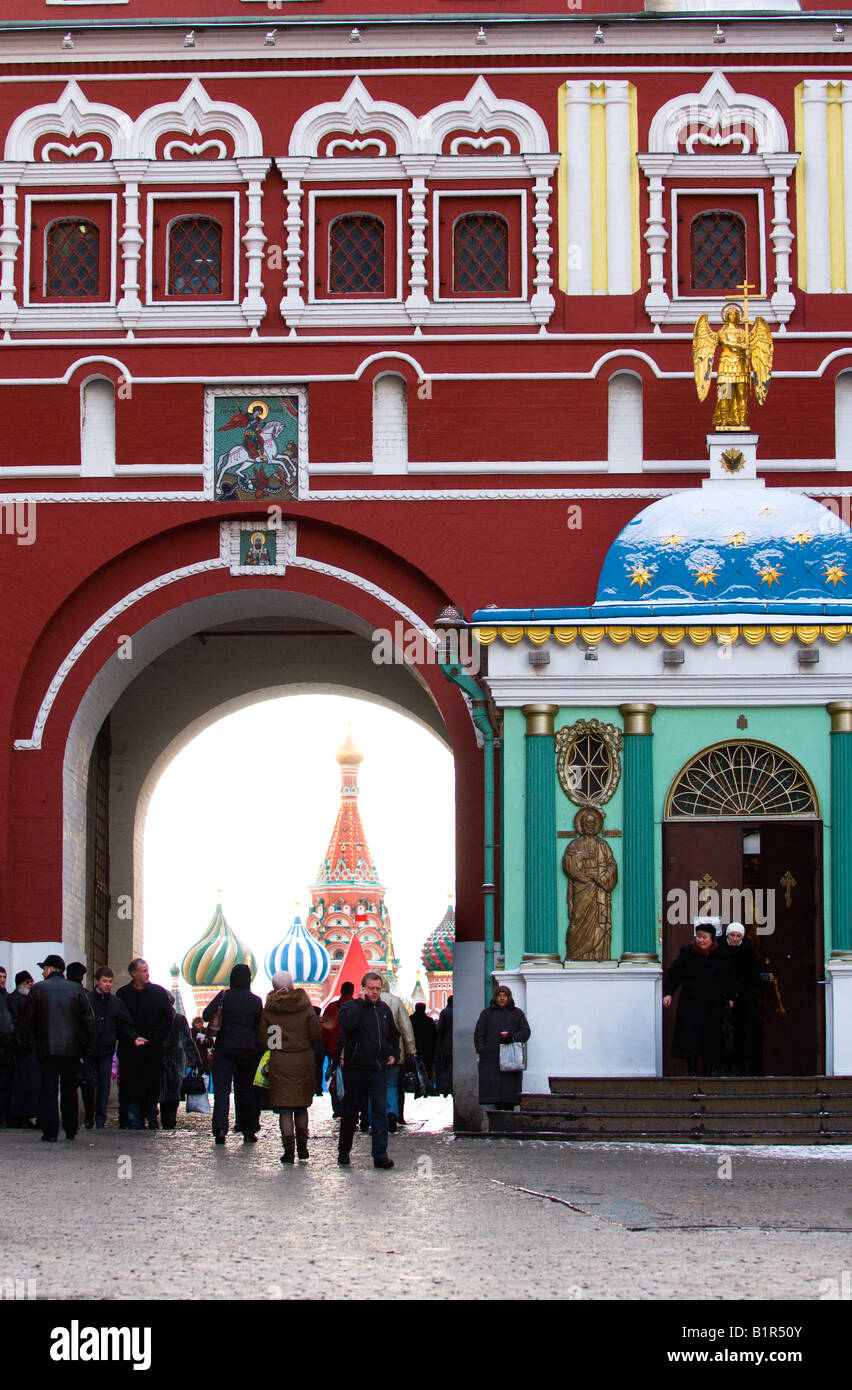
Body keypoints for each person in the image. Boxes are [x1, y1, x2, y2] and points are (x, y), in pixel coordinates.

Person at [19, 954, 96, 1142]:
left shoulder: (38, 989)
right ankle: (71, 1129)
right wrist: (87, 1045)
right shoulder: (77, 989)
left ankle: (50, 1131)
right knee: (70, 1089)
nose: (43, 972)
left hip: (47, 1048)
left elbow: (27, 1021)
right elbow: (89, 1020)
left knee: (49, 1089)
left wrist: (25, 1042)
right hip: (72, 1049)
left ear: (50, 969)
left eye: (44, 969)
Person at [337, 971, 399, 1170]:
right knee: (351, 1111)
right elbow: (347, 1024)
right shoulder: (351, 1007)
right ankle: (344, 1151)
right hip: (355, 1068)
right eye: (371, 989)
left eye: (377, 989)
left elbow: (393, 1034)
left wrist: (394, 1053)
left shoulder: (383, 1009)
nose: (374, 992)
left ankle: (380, 1154)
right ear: (362, 988)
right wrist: (362, 1004)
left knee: (379, 1110)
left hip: (377, 1068)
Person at [258, 970, 321, 1163]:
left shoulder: (270, 1011)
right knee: (301, 1107)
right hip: (303, 1061)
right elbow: (315, 1035)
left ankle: (288, 1151)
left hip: (280, 1063)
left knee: (285, 1110)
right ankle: (303, 1148)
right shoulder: (306, 1008)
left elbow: (266, 1040)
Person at [663, 918, 736, 1077]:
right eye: (699, 937)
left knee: (711, 1038)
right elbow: (675, 974)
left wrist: (730, 997)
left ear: (712, 939)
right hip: (691, 1004)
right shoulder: (687, 953)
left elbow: (730, 977)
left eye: (705, 937)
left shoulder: (721, 955)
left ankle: (709, 1073)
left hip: (714, 1004)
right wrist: (668, 993)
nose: (701, 940)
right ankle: (692, 1072)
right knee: (690, 1037)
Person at [203, 964, 263, 1145]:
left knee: (221, 1091)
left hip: (224, 1049)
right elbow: (260, 1026)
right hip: (247, 1051)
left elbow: (206, 1015)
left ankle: (220, 1129)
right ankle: (248, 1129)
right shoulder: (255, 1000)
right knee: (246, 1090)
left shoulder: (224, 996)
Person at [115, 959, 173, 1130]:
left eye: (147, 970)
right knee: (130, 1086)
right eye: (143, 971)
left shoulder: (158, 993)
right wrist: (132, 1037)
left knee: (152, 1084)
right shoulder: (123, 994)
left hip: (152, 1049)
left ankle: (151, 1116)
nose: (147, 974)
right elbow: (119, 1021)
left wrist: (153, 1039)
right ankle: (132, 1119)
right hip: (130, 1050)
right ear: (134, 973)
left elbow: (166, 1020)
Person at [83, 967, 141, 1129]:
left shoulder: (115, 1003)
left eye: (110, 982)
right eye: (104, 981)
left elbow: (125, 1023)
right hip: (88, 1049)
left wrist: (134, 1037)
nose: (108, 985)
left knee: (104, 1084)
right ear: (97, 981)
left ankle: (100, 1118)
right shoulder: (87, 1000)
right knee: (88, 1083)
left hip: (106, 1050)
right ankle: (89, 1114)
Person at [474, 984, 531, 1112]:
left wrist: (512, 1038)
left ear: (508, 997)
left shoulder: (517, 1014)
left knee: (509, 1091)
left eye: (504, 996)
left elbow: (525, 1031)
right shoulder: (486, 1014)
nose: (502, 998)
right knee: (493, 1090)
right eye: (499, 996)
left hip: (511, 1058)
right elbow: (479, 1034)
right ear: (495, 997)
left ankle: (508, 1115)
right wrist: (482, 1050)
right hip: (491, 1058)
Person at [718, 922, 762, 1076]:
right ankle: (724, 1067)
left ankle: (745, 1067)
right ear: (727, 935)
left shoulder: (748, 951)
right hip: (723, 998)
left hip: (744, 999)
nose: (735, 939)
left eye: (738, 936)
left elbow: (753, 975)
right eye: (732, 935)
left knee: (745, 1033)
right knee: (723, 1033)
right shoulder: (720, 951)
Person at [380, 978, 416, 1133]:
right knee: (392, 1085)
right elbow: (406, 1026)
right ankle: (392, 1113)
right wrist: (411, 1050)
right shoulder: (395, 1001)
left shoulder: (364, 1001)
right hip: (396, 1051)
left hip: (371, 1054)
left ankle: (373, 1117)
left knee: (372, 1087)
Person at [160, 1003, 203, 1130]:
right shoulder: (179, 1019)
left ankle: (161, 1119)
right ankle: (170, 1120)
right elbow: (187, 1042)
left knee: (161, 1092)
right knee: (173, 1093)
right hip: (176, 1061)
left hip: (161, 1059)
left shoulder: (157, 1018)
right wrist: (195, 1060)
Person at [7, 972, 39, 1127]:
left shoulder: (28, 999)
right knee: (20, 1084)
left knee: (29, 1083)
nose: (30, 984)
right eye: (27, 982)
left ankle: (27, 1114)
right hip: (20, 1049)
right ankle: (19, 1116)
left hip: (29, 1048)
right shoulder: (14, 999)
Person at [410, 1002, 438, 1084]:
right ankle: (428, 1084)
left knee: (414, 1067)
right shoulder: (429, 1021)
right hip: (427, 1049)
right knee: (427, 1067)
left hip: (414, 1047)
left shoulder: (410, 1019)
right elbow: (434, 1036)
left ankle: (415, 1084)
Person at [435, 995, 453, 1097]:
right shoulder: (459, 1011)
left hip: (446, 1045)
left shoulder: (445, 1012)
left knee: (446, 1066)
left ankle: (446, 1084)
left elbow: (440, 1028)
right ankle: (452, 1084)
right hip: (458, 1045)